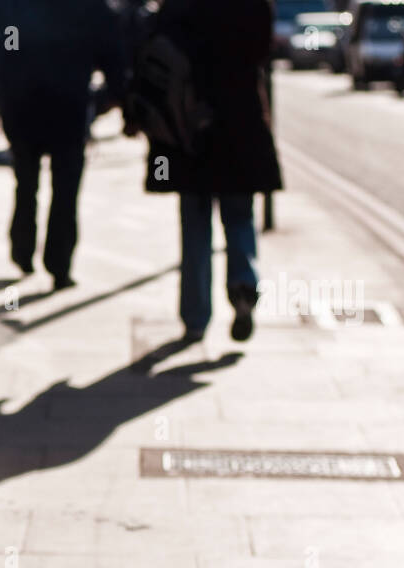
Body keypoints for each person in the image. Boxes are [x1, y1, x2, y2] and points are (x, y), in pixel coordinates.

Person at [130, 0, 282, 342]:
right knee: (240, 216)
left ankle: (195, 317)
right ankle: (243, 284)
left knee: (195, 224)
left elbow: (154, 45)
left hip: (190, 125)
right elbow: (262, 48)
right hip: (239, 120)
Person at [0, 0, 127, 291]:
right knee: (65, 188)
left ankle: (23, 251)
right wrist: (113, 96)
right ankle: (59, 264)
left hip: (22, 104)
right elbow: (111, 49)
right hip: (68, 105)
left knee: (26, 182)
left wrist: (7, 80)